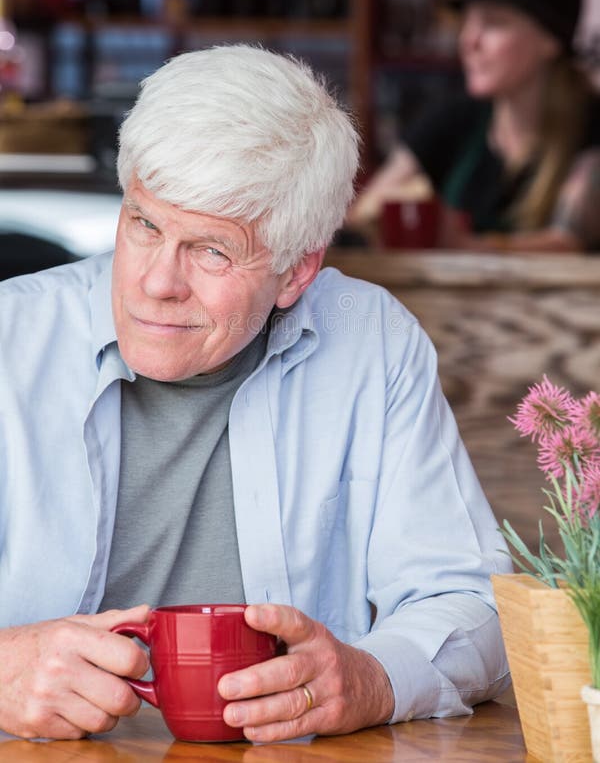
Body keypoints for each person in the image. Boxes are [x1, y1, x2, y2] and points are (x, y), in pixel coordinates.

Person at [0, 45, 511, 743]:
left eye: (211, 250)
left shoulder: (371, 341)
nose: (157, 282)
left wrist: (368, 679)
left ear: (297, 271)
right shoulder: (10, 337)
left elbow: (472, 603)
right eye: (144, 224)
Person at [347, 0, 600, 251]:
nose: (469, 41)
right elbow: (364, 215)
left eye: (494, 23)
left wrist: (469, 245)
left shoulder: (591, 125)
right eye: (467, 23)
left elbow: (568, 243)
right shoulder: (454, 120)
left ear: (550, 41)